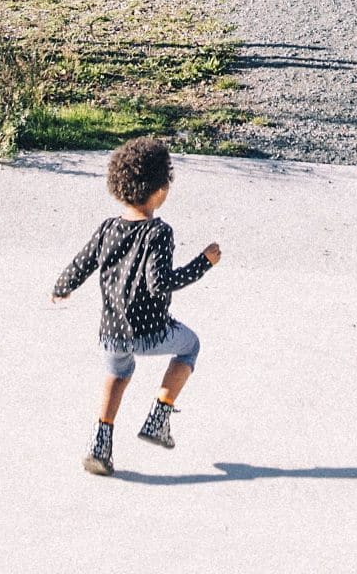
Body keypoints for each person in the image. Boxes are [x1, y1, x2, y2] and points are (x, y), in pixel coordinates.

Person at [53, 137, 222, 476]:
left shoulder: (107, 228)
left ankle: (100, 444)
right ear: (160, 190)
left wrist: (63, 286)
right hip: (150, 332)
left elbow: (83, 261)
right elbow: (160, 283)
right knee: (190, 346)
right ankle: (159, 417)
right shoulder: (158, 232)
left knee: (117, 374)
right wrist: (204, 263)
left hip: (111, 332)